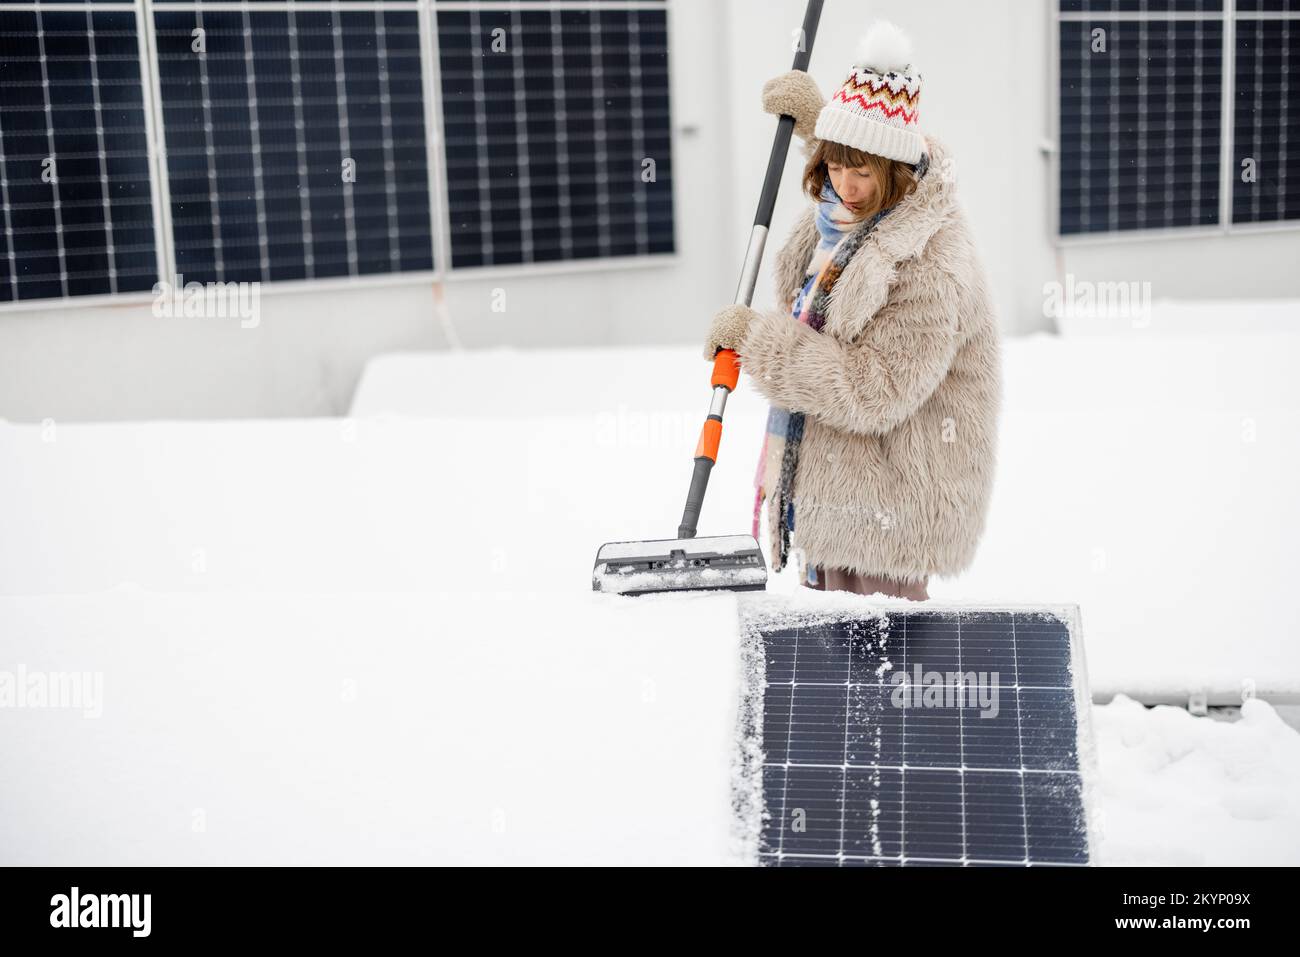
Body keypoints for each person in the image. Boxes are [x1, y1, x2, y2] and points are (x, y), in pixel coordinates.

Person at [703, 21, 1002, 601]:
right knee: (832, 676)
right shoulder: (845, 224)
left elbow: (874, 388)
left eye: (862, 171)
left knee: (888, 680)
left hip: (892, 509)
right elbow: (824, 283)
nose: (843, 185)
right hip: (840, 496)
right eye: (834, 164)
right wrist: (820, 125)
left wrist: (760, 344)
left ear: (894, 173)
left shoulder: (932, 262)